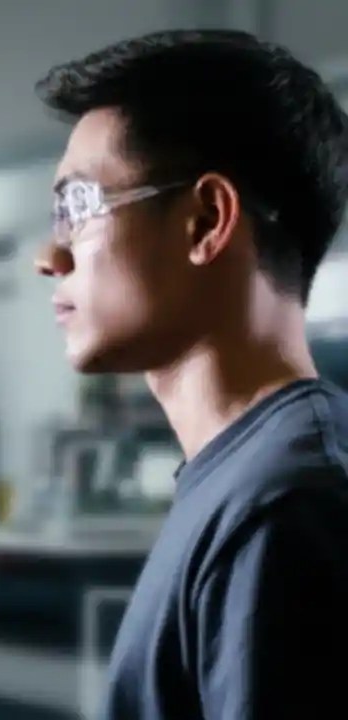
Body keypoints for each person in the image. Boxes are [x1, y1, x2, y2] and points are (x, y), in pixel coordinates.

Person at [34, 30, 348, 719]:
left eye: (77, 208)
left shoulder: (285, 509)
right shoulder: (251, 477)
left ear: (206, 220)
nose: (50, 256)